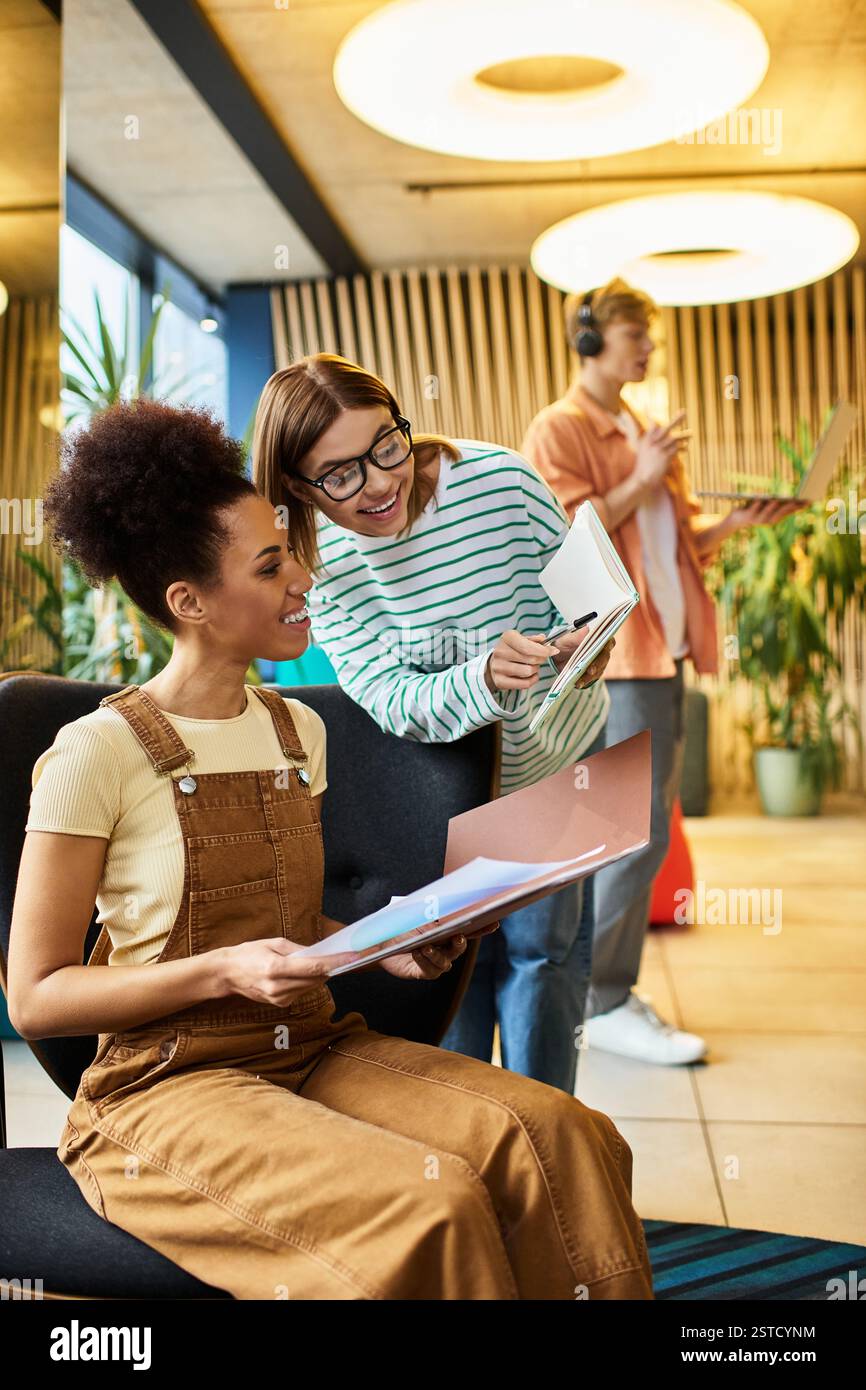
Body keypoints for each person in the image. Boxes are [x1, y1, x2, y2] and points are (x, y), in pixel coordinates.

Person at [7, 397, 653, 1300]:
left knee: (561, 1137)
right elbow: (37, 996)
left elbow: (275, 917)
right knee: (433, 1212)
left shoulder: (293, 729)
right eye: (273, 565)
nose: (307, 576)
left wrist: (380, 942)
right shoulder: (96, 753)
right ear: (189, 602)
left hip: (305, 1048)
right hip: (164, 1090)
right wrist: (225, 972)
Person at [252, 353, 616, 1096]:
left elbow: (581, 613)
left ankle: (548, 1138)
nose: (381, 482)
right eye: (342, 474)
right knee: (450, 975)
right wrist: (480, 678)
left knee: (547, 959)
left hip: (558, 754)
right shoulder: (317, 566)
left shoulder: (503, 482)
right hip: (442, 790)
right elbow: (388, 698)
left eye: (386, 445)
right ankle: (473, 1147)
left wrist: (593, 640)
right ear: (296, 485)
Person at [521, 278, 802, 1066]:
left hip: (664, 648)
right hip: (619, 655)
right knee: (624, 831)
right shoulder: (561, 428)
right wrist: (641, 477)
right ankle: (601, 1000)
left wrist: (734, 524)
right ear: (589, 341)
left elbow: (676, 541)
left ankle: (596, 993)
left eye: (648, 336)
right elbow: (565, 538)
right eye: (633, 335)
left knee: (639, 829)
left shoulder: (642, 427)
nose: (646, 348)